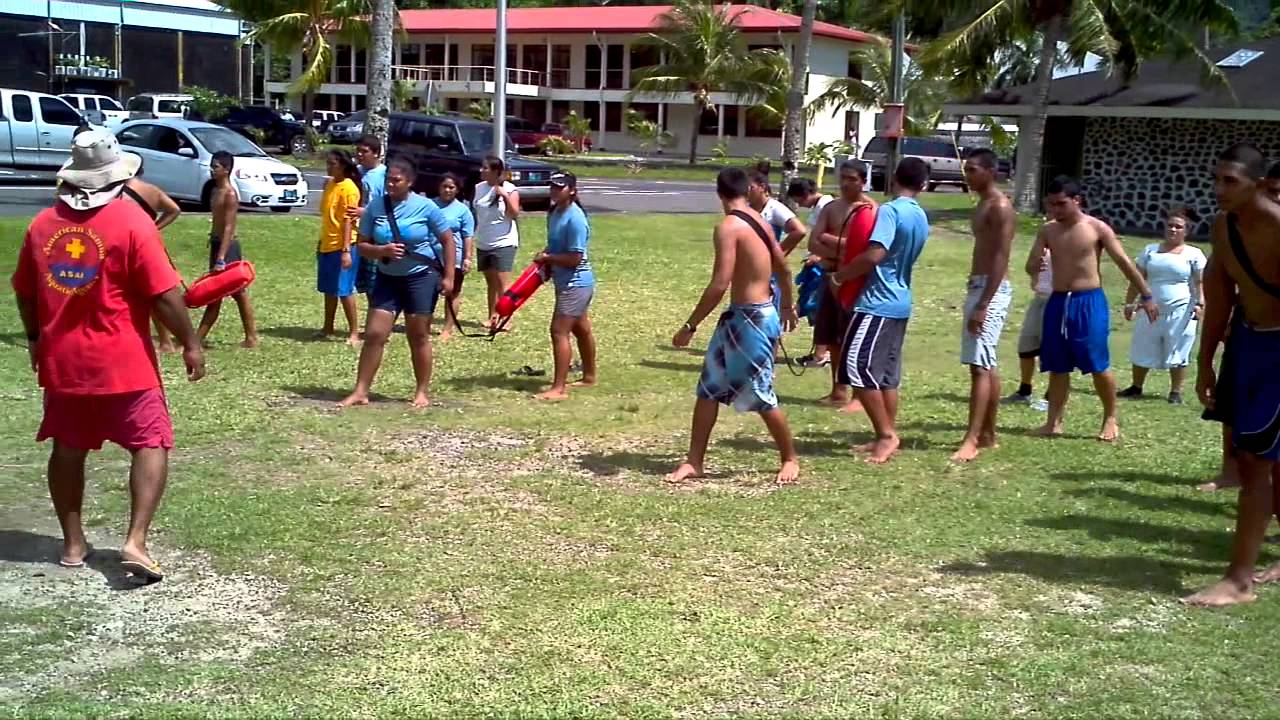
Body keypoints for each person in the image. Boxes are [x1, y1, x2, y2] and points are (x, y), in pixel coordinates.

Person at [11, 130, 205, 580]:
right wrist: (191, 344)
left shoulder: (41, 225)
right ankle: (135, 540)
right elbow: (163, 294)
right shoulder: (131, 222)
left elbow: (24, 292)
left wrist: (37, 338)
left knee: (68, 449)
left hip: (64, 362)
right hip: (124, 362)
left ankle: (73, 544)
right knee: (150, 442)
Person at [1184, 143, 1280, 607]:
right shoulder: (1224, 227)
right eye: (1217, 179)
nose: (1219, 189)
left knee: (1256, 461)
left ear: (1260, 185)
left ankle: (1238, 581)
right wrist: (1205, 361)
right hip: (1249, 344)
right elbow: (1219, 296)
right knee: (1258, 457)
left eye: (1231, 182)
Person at [667, 167, 801, 485]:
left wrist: (690, 325)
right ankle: (694, 461)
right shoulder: (761, 220)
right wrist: (786, 303)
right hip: (740, 316)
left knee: (761, 394)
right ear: (746, 190)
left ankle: (790, 458)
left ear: (719, 194)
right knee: (709, 389)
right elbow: (782, 265)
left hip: (753, 320)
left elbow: (719, 283)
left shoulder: (729, 226)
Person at [1026, 176, 1157, 442]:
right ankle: (1053, 422)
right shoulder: (1048, 230)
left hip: (1088, 301)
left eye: (1061, 204)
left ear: (1077, 201)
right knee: (1058, 365)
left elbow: (1124, 263)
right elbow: (1031, 266)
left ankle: (1110, 418)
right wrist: (1035, 264)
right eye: (1051, 205)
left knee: (1097, 362)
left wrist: (1146, 296)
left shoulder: (1096, 228)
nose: (1055, 211)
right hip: (1058, 302)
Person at [831, 157, 932, 464]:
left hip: (877, 301)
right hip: (900, 300)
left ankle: (887, 435)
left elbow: (875, 254)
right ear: (924, 185)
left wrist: (839, 276)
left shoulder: (890, 211)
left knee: (856, 367)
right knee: (885, 375)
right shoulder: (920, 215)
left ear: (894, 179)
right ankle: (884, 435)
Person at [339, 157, 455, 409]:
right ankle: (360, 391)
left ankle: (422, 391)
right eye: (388, 179)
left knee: (418, 335)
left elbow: (447, 240)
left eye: (396, 180)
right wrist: (382, 250)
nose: (390, 184)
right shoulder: (375, 207)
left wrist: (449, 277)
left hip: (420, 277)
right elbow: (363, 246)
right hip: (387, 277)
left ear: (410, 182)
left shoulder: (426, 207)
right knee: (374, 334)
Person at [952, 149, 1015, 463]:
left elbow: (1002, 257)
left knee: (979, 366)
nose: (968, 175)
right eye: (967, 169)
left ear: (991, 171)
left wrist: (984, 304)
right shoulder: (982, 204)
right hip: (978, 286)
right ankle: (988, 433)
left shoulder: (1001, 207)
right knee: (986, 363)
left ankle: (972, 438)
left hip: (990, 290)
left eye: (974, 169)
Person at [1118, 207, 1206, 405]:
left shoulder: (1194, 254)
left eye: (1178, 227)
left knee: (1178, 348)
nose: (1173, 230)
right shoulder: (1150, 250)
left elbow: (1200, 282)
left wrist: (1200, 303)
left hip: (1181, 310)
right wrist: (1129, 303)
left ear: (1186, 231)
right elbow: (1137, 279)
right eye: (1170, 226)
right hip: (1150, 308)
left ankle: (1175, 392)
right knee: (1142, 346)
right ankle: (1136, 386)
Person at [807, 159, 876, 410]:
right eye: (843, 178)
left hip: (854, 280)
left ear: (863, 181)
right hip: (828, 277)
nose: (846, 184)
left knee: (853, 337)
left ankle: (859, 395)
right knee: (831, 337)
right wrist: (841, 249)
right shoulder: (831, 207)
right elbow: (813, 243)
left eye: (852, 179)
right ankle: (838, 390)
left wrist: (830, 243)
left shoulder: (870, 210)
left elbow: (866, 249)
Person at [533, 172, 598, 401]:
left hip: (576, 283)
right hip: (566, 281)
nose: (554, 191)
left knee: (559, 331)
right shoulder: (554, 213)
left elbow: (574, 258)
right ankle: (589, 376)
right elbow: (556, 246)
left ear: (572, 190)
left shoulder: (575, 218)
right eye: (552, 186)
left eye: (559, 187)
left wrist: (548, 259)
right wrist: (546, 260)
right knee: (580, 329)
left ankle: (558, 389)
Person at [196, 151, 259, 348]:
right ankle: (251, 336)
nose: (212, 170)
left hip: (227, 247)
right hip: (216, 243)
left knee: (218, 293)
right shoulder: (215, 191)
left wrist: (221, 258)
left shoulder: (230, 194)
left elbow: (229, 228)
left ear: (226, 169)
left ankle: (197, 339)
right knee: (237, 293)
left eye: (216, 167)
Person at [122, 159, 182, 354]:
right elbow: (174, 209)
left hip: (127, 244)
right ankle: (165, 340)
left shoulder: (119, 192)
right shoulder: (153, 190)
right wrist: (154, 228)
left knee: (129, 294)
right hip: (150, 243)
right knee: (155, 292)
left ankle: (152, 338)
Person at [315, 148, 362, 345]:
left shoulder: (349, 189)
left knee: (344, 289)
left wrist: (345, 251)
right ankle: (328, 326)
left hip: (345, 245)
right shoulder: (330, 185)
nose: (328, 167)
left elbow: (348, 222)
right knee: (329, 289)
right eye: (327, 163)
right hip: (327, 243)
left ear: (342, 165)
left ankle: (354, 332)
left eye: (332, 163)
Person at [1002, 245, 1052, 411]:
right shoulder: (1043, 244)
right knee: (1026, 347)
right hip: (1038, 298)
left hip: (1057, 300)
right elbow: (1029, 267)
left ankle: (1051, 396)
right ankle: (1024, 391)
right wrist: (1033, 269)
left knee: (1052, 350)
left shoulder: (1068, 242)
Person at [473, 155, 521, 331]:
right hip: (484, 240)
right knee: (491, 282)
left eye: (485, 168)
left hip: (504, 242)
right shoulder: (479, 188)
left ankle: (506, 318)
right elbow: (477, 212)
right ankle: (492, 316)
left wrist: (504, 196)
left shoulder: (510, 189)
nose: (481, 170)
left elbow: (514, 213)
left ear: (495, 171)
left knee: (502, 284)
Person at [433, 173, 475, 342]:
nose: (447, 190)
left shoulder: (463, 210)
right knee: (429, 293)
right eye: (444, 186)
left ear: (457, 190)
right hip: (430, 258)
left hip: (454, 259)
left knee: (452, 293)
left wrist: (467, 258)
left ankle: (447, 328)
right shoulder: (429, 205)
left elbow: (468, 236)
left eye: (451, 187)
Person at [349, 135, 387, 304]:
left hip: (375, 234)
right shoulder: (355, 171)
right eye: (358, 151)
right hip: (356, 233)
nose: (360, 155)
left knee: (375, 282)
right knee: (360, 281)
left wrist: (364, 212)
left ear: (377, 153)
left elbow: (388, 208)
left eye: (365, 151)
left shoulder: (384, 175)